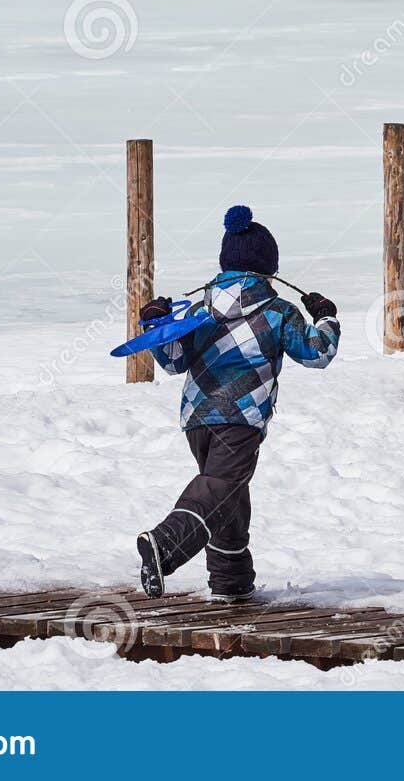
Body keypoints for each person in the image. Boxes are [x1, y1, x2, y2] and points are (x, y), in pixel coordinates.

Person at [135, 205, 341, 601]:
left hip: (197, 419)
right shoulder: (278, 312)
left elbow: (174, 361)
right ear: (269, 268)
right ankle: (166, 545)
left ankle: (231, 581)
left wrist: (158, 325)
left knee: (227, 490)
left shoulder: (199, 311)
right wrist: (326, 317)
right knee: (221, 486)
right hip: (241, 418)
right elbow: (317, 353)